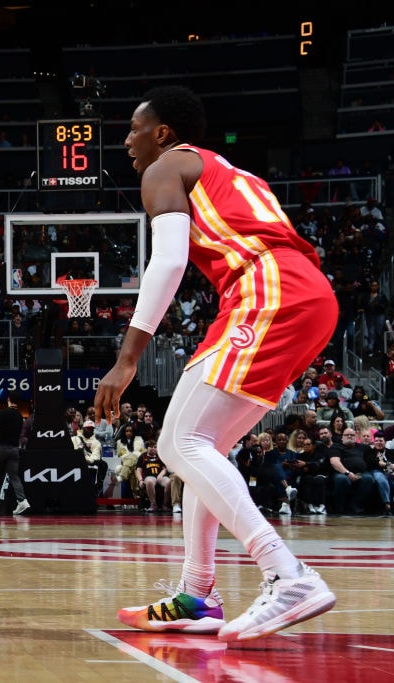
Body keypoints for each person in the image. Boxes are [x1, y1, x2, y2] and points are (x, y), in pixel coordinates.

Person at [95, 86, 337, 642]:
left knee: (178, 444)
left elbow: (171, 259)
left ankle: (286, 573)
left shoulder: (166, 166)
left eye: (135, 127)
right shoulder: (231, 171)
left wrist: (127, 357)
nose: (127, 139)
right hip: (300, 292)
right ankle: (198, 594)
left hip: (269, 289)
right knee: (202, 444)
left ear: (162, 132)